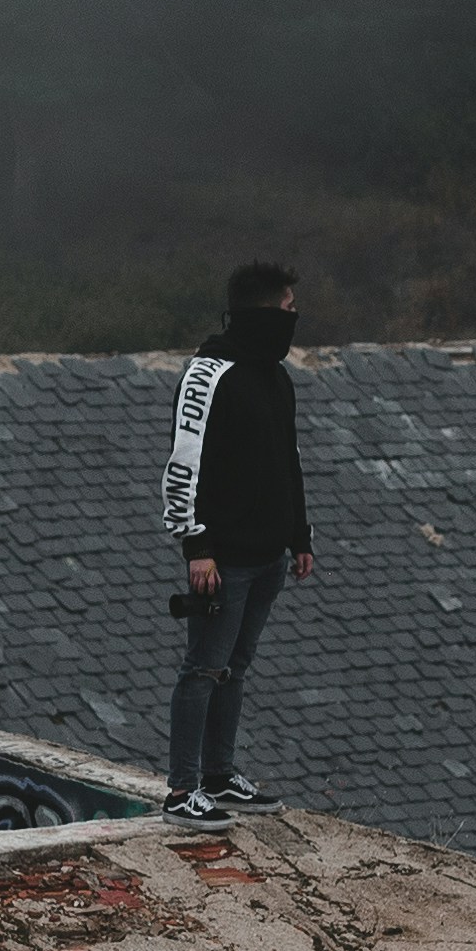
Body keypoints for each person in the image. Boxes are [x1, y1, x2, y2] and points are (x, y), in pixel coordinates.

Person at [160, 259, 314, 815]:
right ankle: (182, 790)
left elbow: (287, 461)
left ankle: (220, 776)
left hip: (269, 557)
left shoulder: (276, 377)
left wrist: (300, 536)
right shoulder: (208, 374)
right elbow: (184, 463)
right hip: (223, 561)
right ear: (264, 312)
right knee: (201, 669)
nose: (295, 319)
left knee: (233, 669)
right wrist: (196, 547)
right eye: (289, 309)